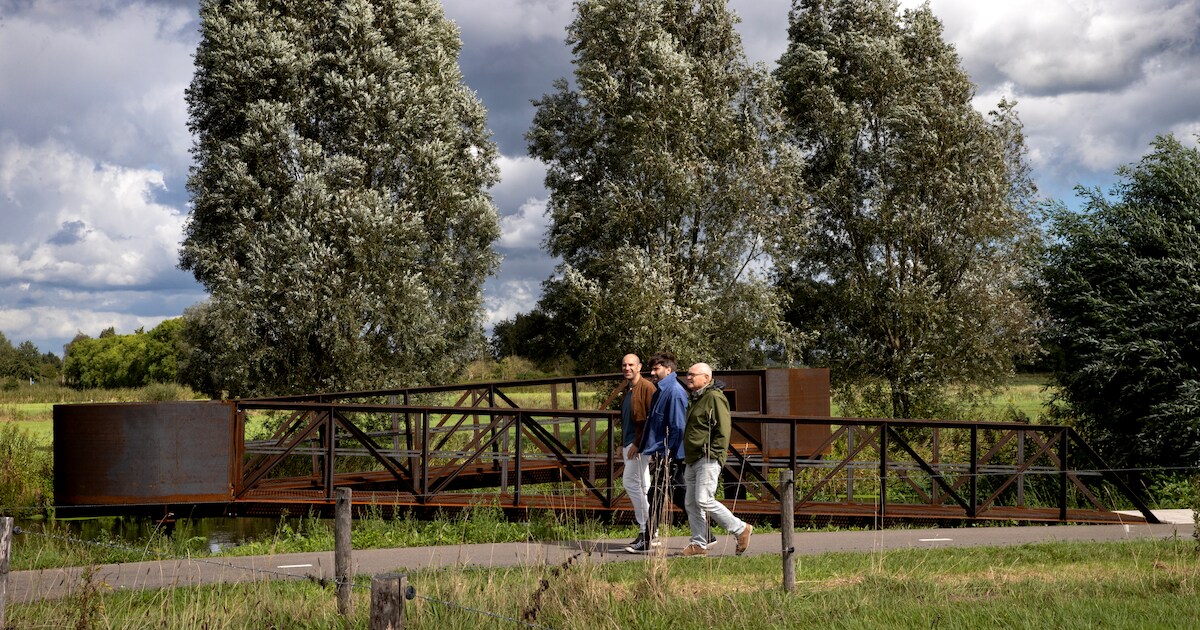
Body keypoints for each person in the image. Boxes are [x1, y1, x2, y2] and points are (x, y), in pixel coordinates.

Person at [679, 362, 752, 557]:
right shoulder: (696, 398)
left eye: (693, 375)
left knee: (703, 499)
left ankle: (740, 529)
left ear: (706, 378)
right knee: (691, 503)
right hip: (693, 457)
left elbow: (724, 429)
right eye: (688, 374)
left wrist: (713, 453)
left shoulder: (714, 397)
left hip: (706, 457)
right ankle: (698, 544)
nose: (689, 377)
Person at [631, 350, 688, 553]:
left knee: (656, 495)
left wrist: (669, 454)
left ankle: (646, 540)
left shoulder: (673, 392)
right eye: (652, 369)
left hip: (671, 455)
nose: (652, 372)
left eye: (656, 369)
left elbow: (678, 427)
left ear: (668, 369)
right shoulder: (662, 390)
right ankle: (708, 534)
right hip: (666, 453)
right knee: (675, 495)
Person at [617, 353, 656, 553]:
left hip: (638, 446)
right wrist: (623, 443)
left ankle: (645, 530)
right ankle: (652, 532)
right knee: (643, 485)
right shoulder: (629, 389)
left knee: (630, 483)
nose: (627, 368)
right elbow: (628, 419)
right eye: (624, 365)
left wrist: (637, 443)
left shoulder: (646, 387)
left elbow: (651, 418)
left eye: (631, 364)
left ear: (639, 366)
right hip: (630, 443)